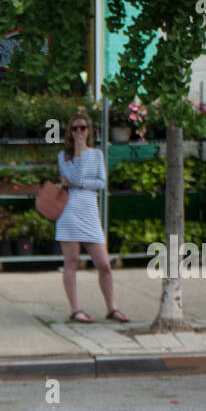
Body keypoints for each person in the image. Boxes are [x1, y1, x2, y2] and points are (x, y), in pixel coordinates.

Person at [55, 114, 128, 323]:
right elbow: (76, 178)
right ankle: (75, 309)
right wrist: (78, 153)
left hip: (89, 213)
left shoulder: (97, 154)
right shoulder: (64, 156)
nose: (79, 132)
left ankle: (112, 307)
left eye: (83, 128)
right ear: (70, 132)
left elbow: (101, 183)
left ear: (89, 130)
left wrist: (78, 183)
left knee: (104, 263)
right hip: (69, 214)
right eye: (75, 128)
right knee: (72, 261)